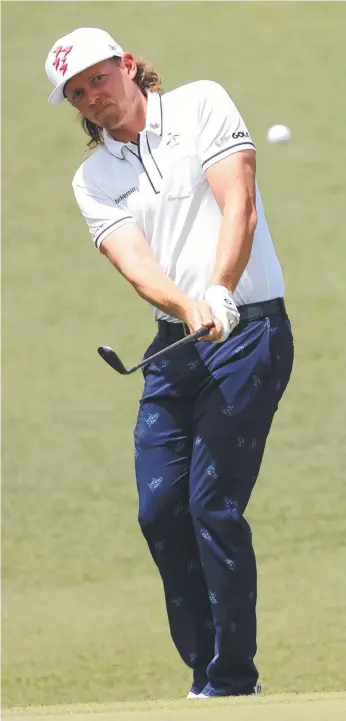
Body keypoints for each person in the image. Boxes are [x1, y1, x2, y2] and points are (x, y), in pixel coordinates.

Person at [45, 26, 294, 699]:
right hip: (178, 343)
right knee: (159, 509)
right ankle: (203, 672)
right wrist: (189, 306)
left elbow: (236, 198)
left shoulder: (200, 104)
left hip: (251, 332)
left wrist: (219, 290)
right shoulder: (93, 177)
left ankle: (231, 680)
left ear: (127, 66)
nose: (93, 94)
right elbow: (136, 263)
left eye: (99, 76)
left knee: (212, 504)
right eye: (77, 91)